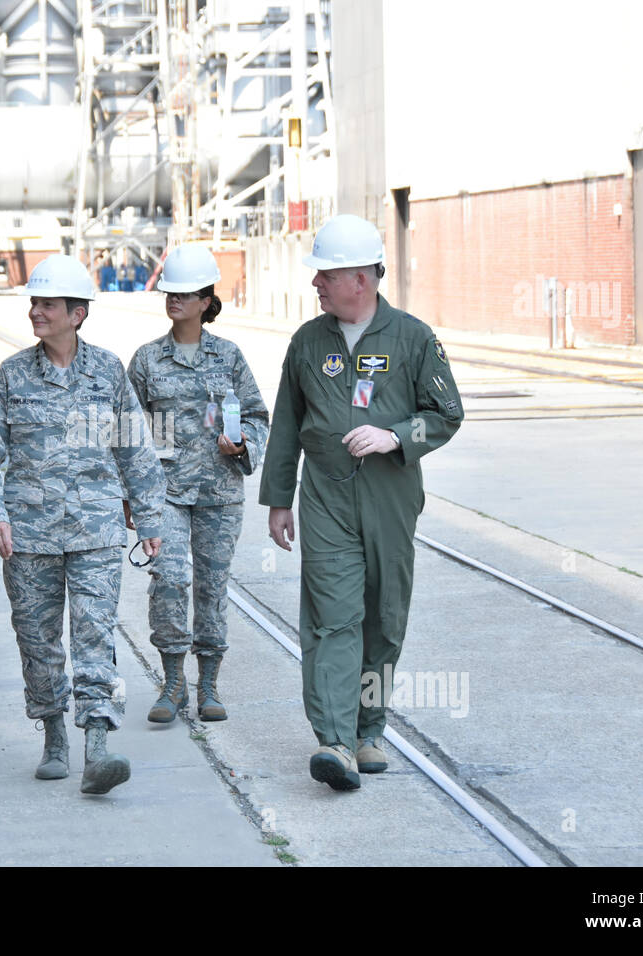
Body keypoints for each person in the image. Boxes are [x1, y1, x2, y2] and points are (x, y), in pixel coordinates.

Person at [258, 215, 463, 791]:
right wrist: (278, 498)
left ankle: (369, 729)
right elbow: (287, 424)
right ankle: (335, 741)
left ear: (361, 279)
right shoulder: (307, 342)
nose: (316, 285)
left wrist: (396, 436)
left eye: (325, 274)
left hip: (390, 496)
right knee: (332, 617)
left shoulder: (413, 338)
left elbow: (447, 414)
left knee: (384, 614)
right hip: (325, 496)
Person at [0, 253, 166, 795]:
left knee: (95, 636)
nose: (36, 312)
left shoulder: (109, 372)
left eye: (48, 305)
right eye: (34, 303)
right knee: (38, 640)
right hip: (27, 538)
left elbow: (135, 448)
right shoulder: (11, 376)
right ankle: (53, 733)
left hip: (96, 531)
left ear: (78, 313)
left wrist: (148, 515)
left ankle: (97, 745)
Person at [127, 245, 268, 724]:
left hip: (219, 493)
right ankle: (172, 683)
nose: (173, 300)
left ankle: (208, 684)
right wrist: (131, 494)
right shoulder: (146, 359)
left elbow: (256, 416)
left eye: (185, 293)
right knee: (168, 580)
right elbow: (125, 429)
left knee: (211, 587)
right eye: (169, 291)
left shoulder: (229, 357)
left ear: (207, 300)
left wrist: (243, 443)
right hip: (164, 491)